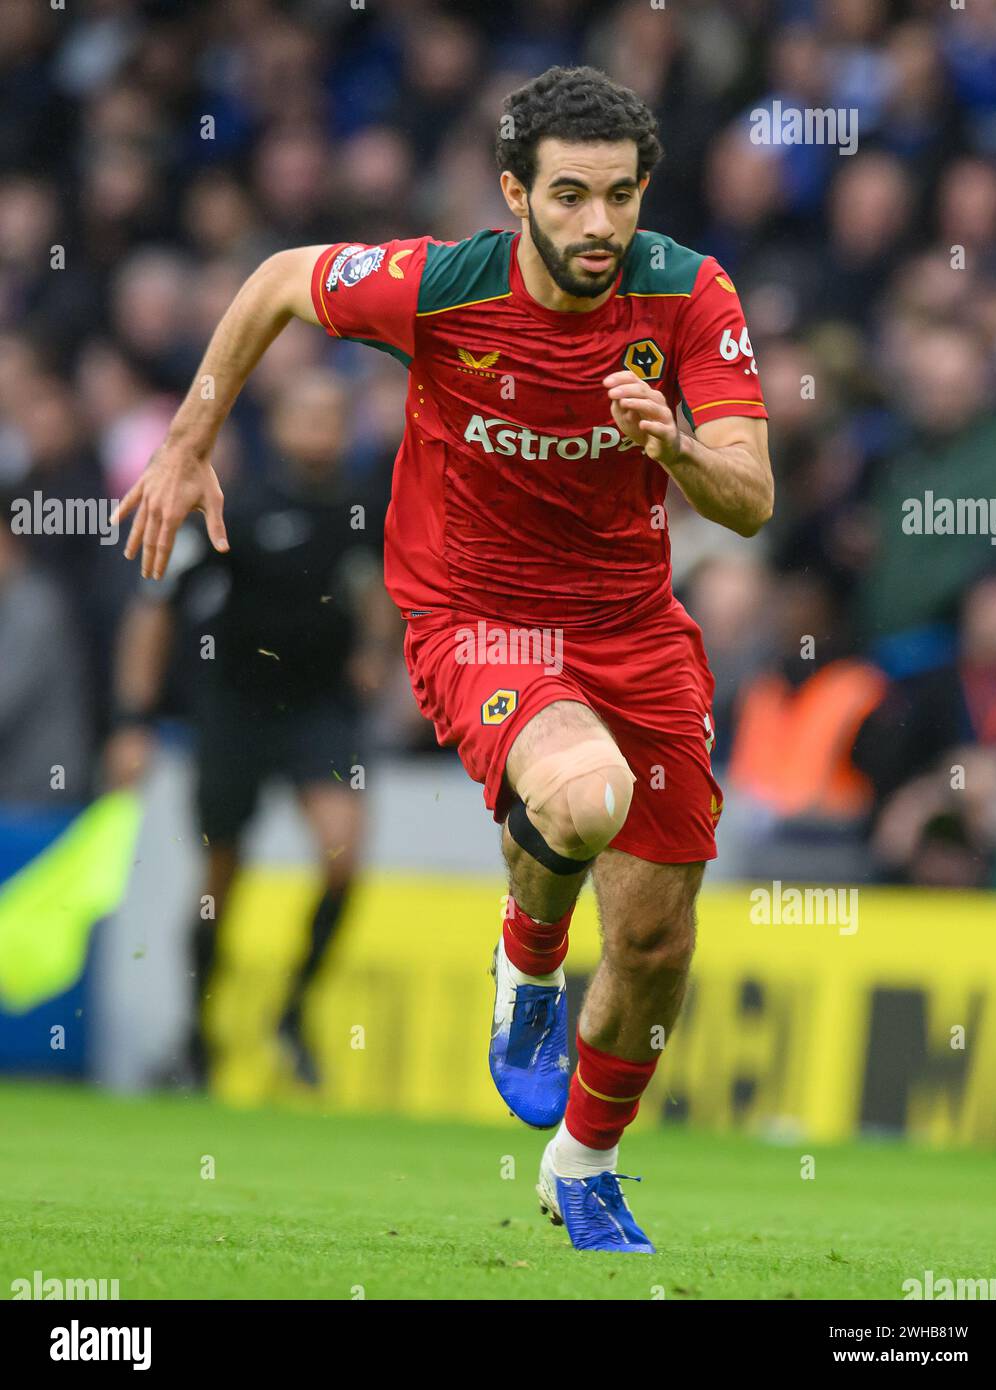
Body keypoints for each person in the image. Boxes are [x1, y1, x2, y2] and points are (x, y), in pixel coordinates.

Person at [113, 66, 773, 1253]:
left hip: (633, 628)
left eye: (620, 196)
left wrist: (674, 446)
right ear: (514, 194)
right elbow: (275, 280)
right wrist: (187, 441)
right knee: (584, 795)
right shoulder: (439, 286)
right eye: (568, 196)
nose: (599, 224)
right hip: (477, 615)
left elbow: (753, 499)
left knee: (655, 941)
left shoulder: (688, 293)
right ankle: (528, 964)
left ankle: (583, 1163)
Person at [106, 371, 394, 1087]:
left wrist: (373, 649)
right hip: (236, 707)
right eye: (309, 415)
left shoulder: (366, 507)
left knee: (343, 857)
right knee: (221, 880)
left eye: (334, 416)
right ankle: (198, 1035)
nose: (322, 430)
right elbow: (156, 603)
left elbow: (382, 586)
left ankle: (293, 1012)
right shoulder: (235, 504)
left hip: (320, 708)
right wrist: (134, 719)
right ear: (279, 426)